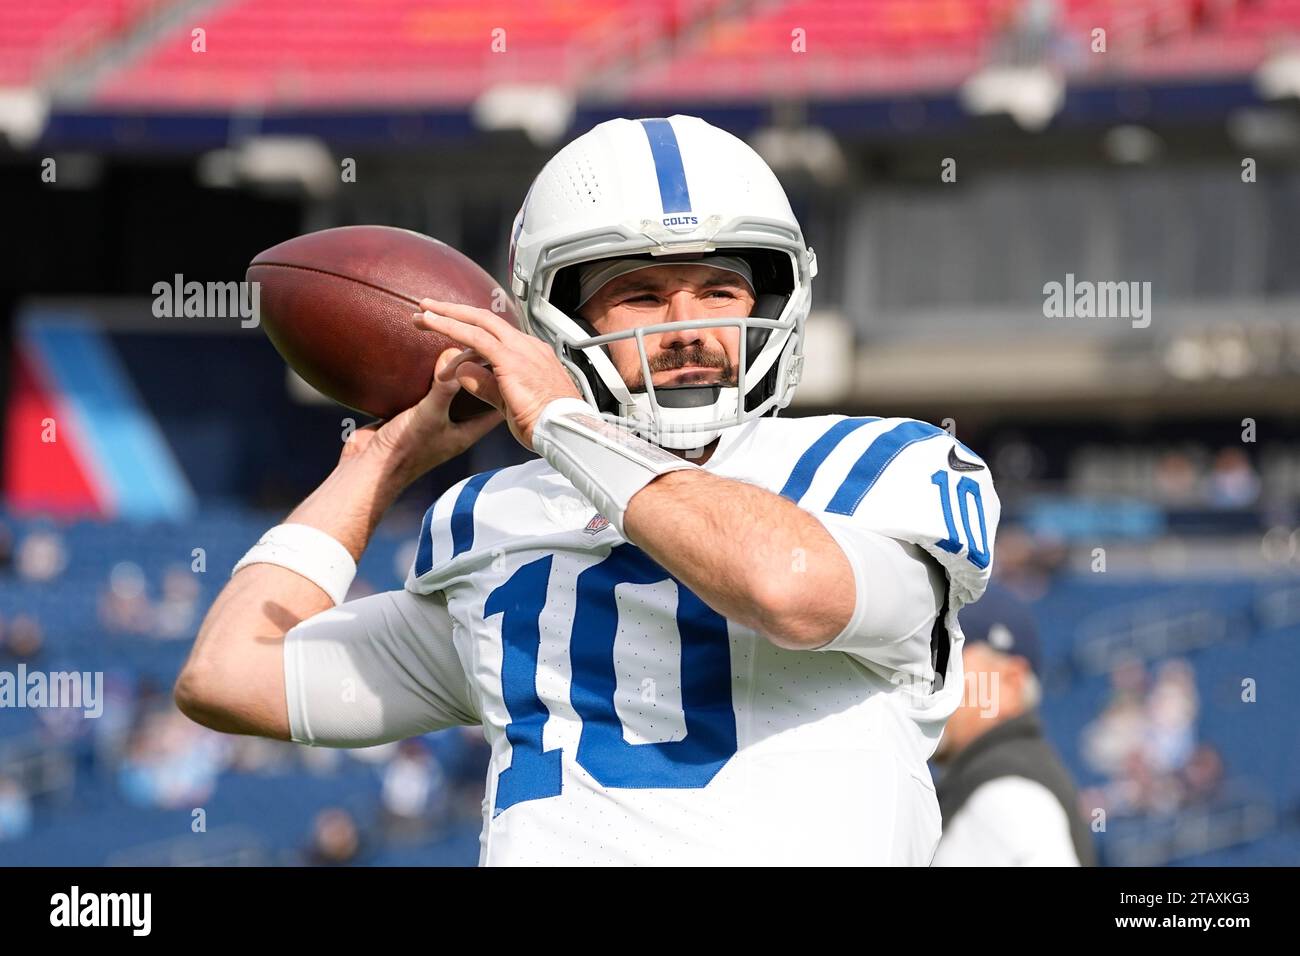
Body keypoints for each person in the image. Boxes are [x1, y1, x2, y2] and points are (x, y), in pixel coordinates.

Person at [175, 115, 1000, 865]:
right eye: (640, 295)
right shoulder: (499, 527)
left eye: (720, 289)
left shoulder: (879, 465)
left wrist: (565, 427)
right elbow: (228, 676)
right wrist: (377, 461)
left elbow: (784, 587)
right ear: (558, 321)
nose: (688, 327)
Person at [931, 583, 1095, 866]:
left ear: (1010, 681)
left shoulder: (1008, 791)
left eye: (946, 661)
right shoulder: (988, 780)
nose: (927, 679)